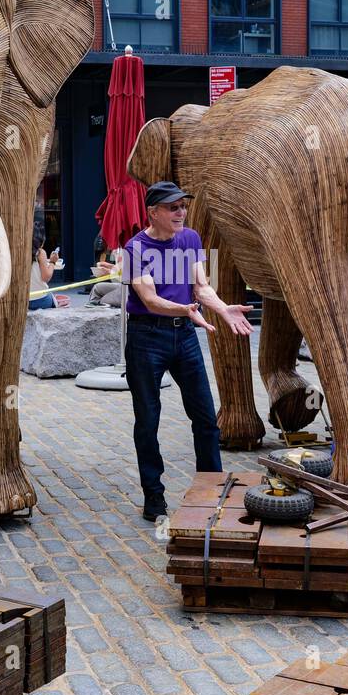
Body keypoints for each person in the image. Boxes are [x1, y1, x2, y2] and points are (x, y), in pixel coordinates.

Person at [123, 181, 254, 521]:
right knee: (148, 420)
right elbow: (149, 300)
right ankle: (154, 497)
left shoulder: (191, 239)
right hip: (146, 338)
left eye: (183, 206)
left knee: (206, 419)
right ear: (154, 212)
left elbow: (201, 286)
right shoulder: (134, 249)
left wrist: (222, 308)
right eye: (173, 207)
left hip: (184, 337)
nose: (181, 212)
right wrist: (184, 310)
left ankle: (211, 490)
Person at [29, 238, 69, 311]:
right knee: (62, 299)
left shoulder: (14, 250)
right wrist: (52, 262)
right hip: (40, 300)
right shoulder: (40, 252)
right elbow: (46, 277)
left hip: (20, 299)